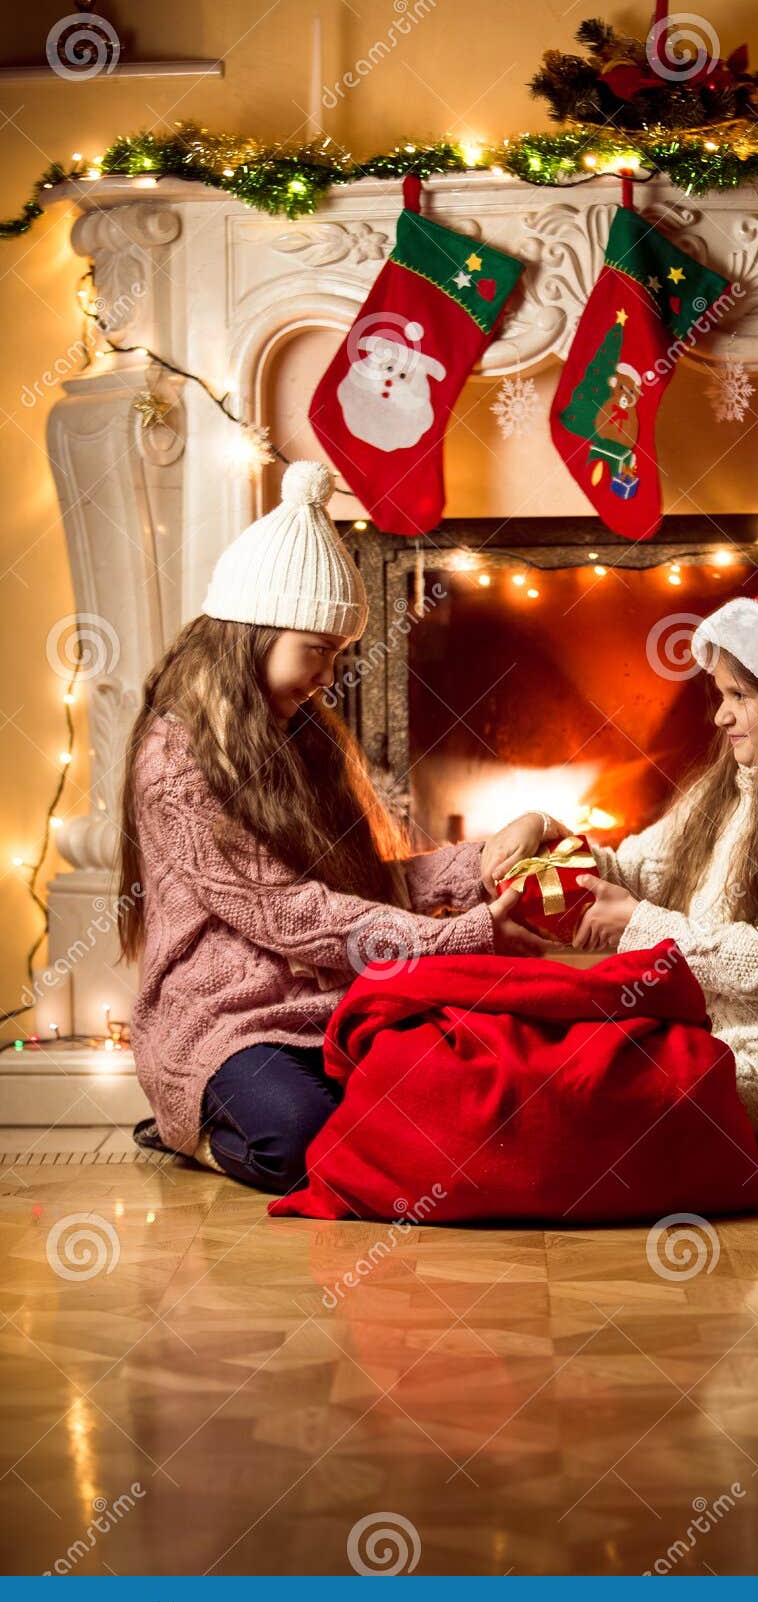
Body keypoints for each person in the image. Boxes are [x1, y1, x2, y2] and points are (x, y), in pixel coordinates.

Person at [118, 460, 542, 1194]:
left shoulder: (299, 732)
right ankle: (192, 1129)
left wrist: (480, 861)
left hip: (329, 998)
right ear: (253, 634)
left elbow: (363, 884)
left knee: (428, 1113)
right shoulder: (175, 762)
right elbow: (287, 912)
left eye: (337, 654)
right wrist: (460, 935)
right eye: (318, 649)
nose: (327, 676)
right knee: (302, 1144)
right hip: (225, 1019)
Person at [481, 581, 758, 1154]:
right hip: (687, 1035)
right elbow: (630, 871)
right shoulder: (725, 790)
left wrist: (637, 924)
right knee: (517, 1053)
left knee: (569, 1098)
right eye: (721, 695)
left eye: (738, 696)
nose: (720, 716)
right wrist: (543, 827)